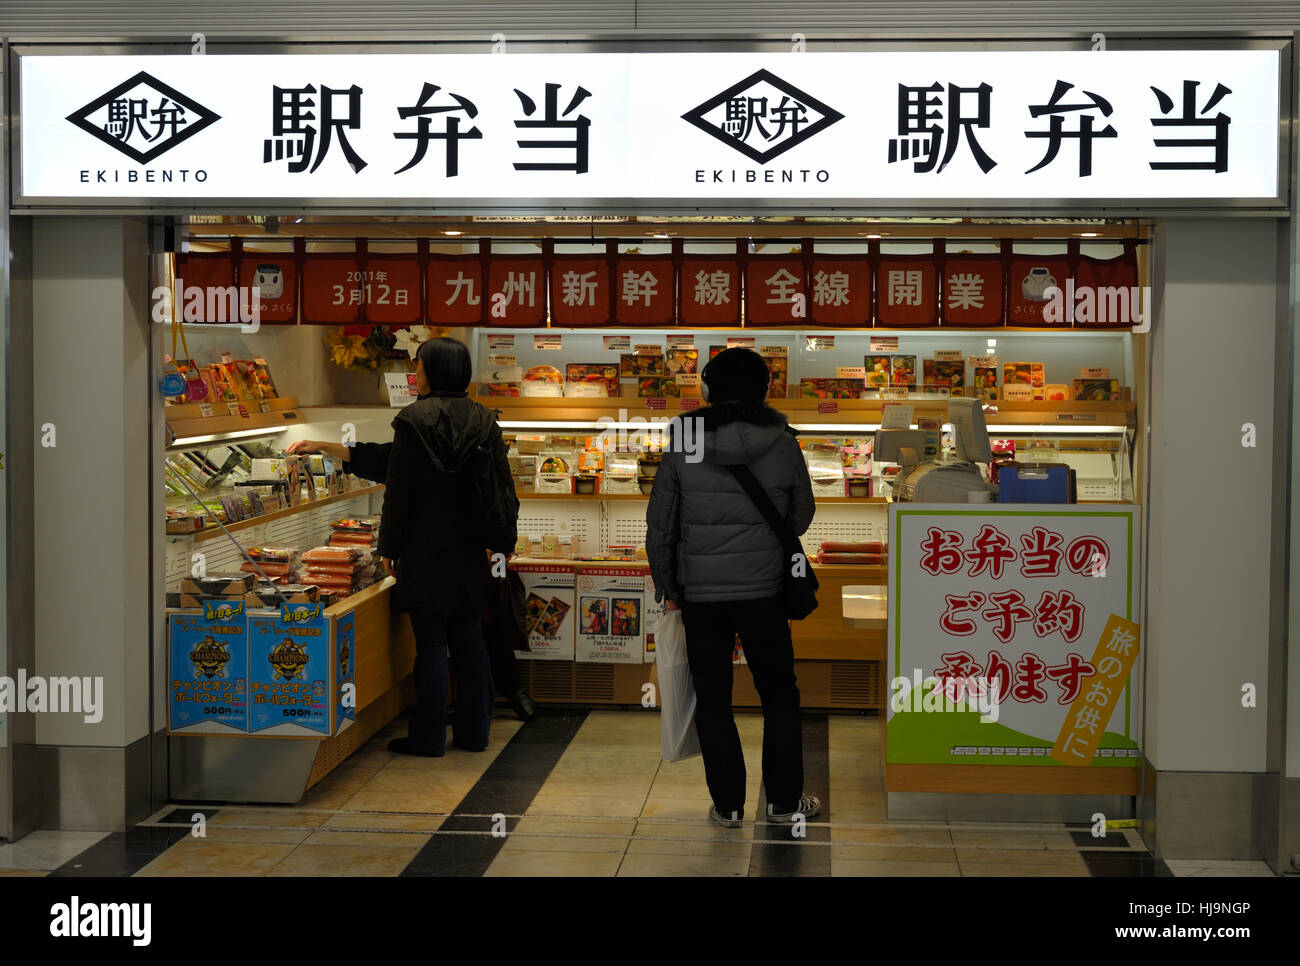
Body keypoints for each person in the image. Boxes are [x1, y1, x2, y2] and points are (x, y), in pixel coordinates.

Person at [290, 338, 521, 755]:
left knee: (431, 644)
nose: (414, 371)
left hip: (423, 547)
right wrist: (503, 543)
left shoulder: (413, 420)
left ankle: (428, 737)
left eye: (418, 363)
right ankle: (475, 735)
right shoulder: (485, 421)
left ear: (431, 370)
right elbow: (502, 489)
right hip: (471, 549)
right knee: (471, 642)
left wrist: (388, 548)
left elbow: (398, 491)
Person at [645, 347, 819, 828]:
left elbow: (660, 524)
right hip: (764, 590)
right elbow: (800, 517)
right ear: (763, 390)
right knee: (779, 694)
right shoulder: (783, 441)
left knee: (712, 697)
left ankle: (728, 806)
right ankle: (784, 804)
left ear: (708, 388)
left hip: (701, 595)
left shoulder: (685, 442)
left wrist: (668, 584)